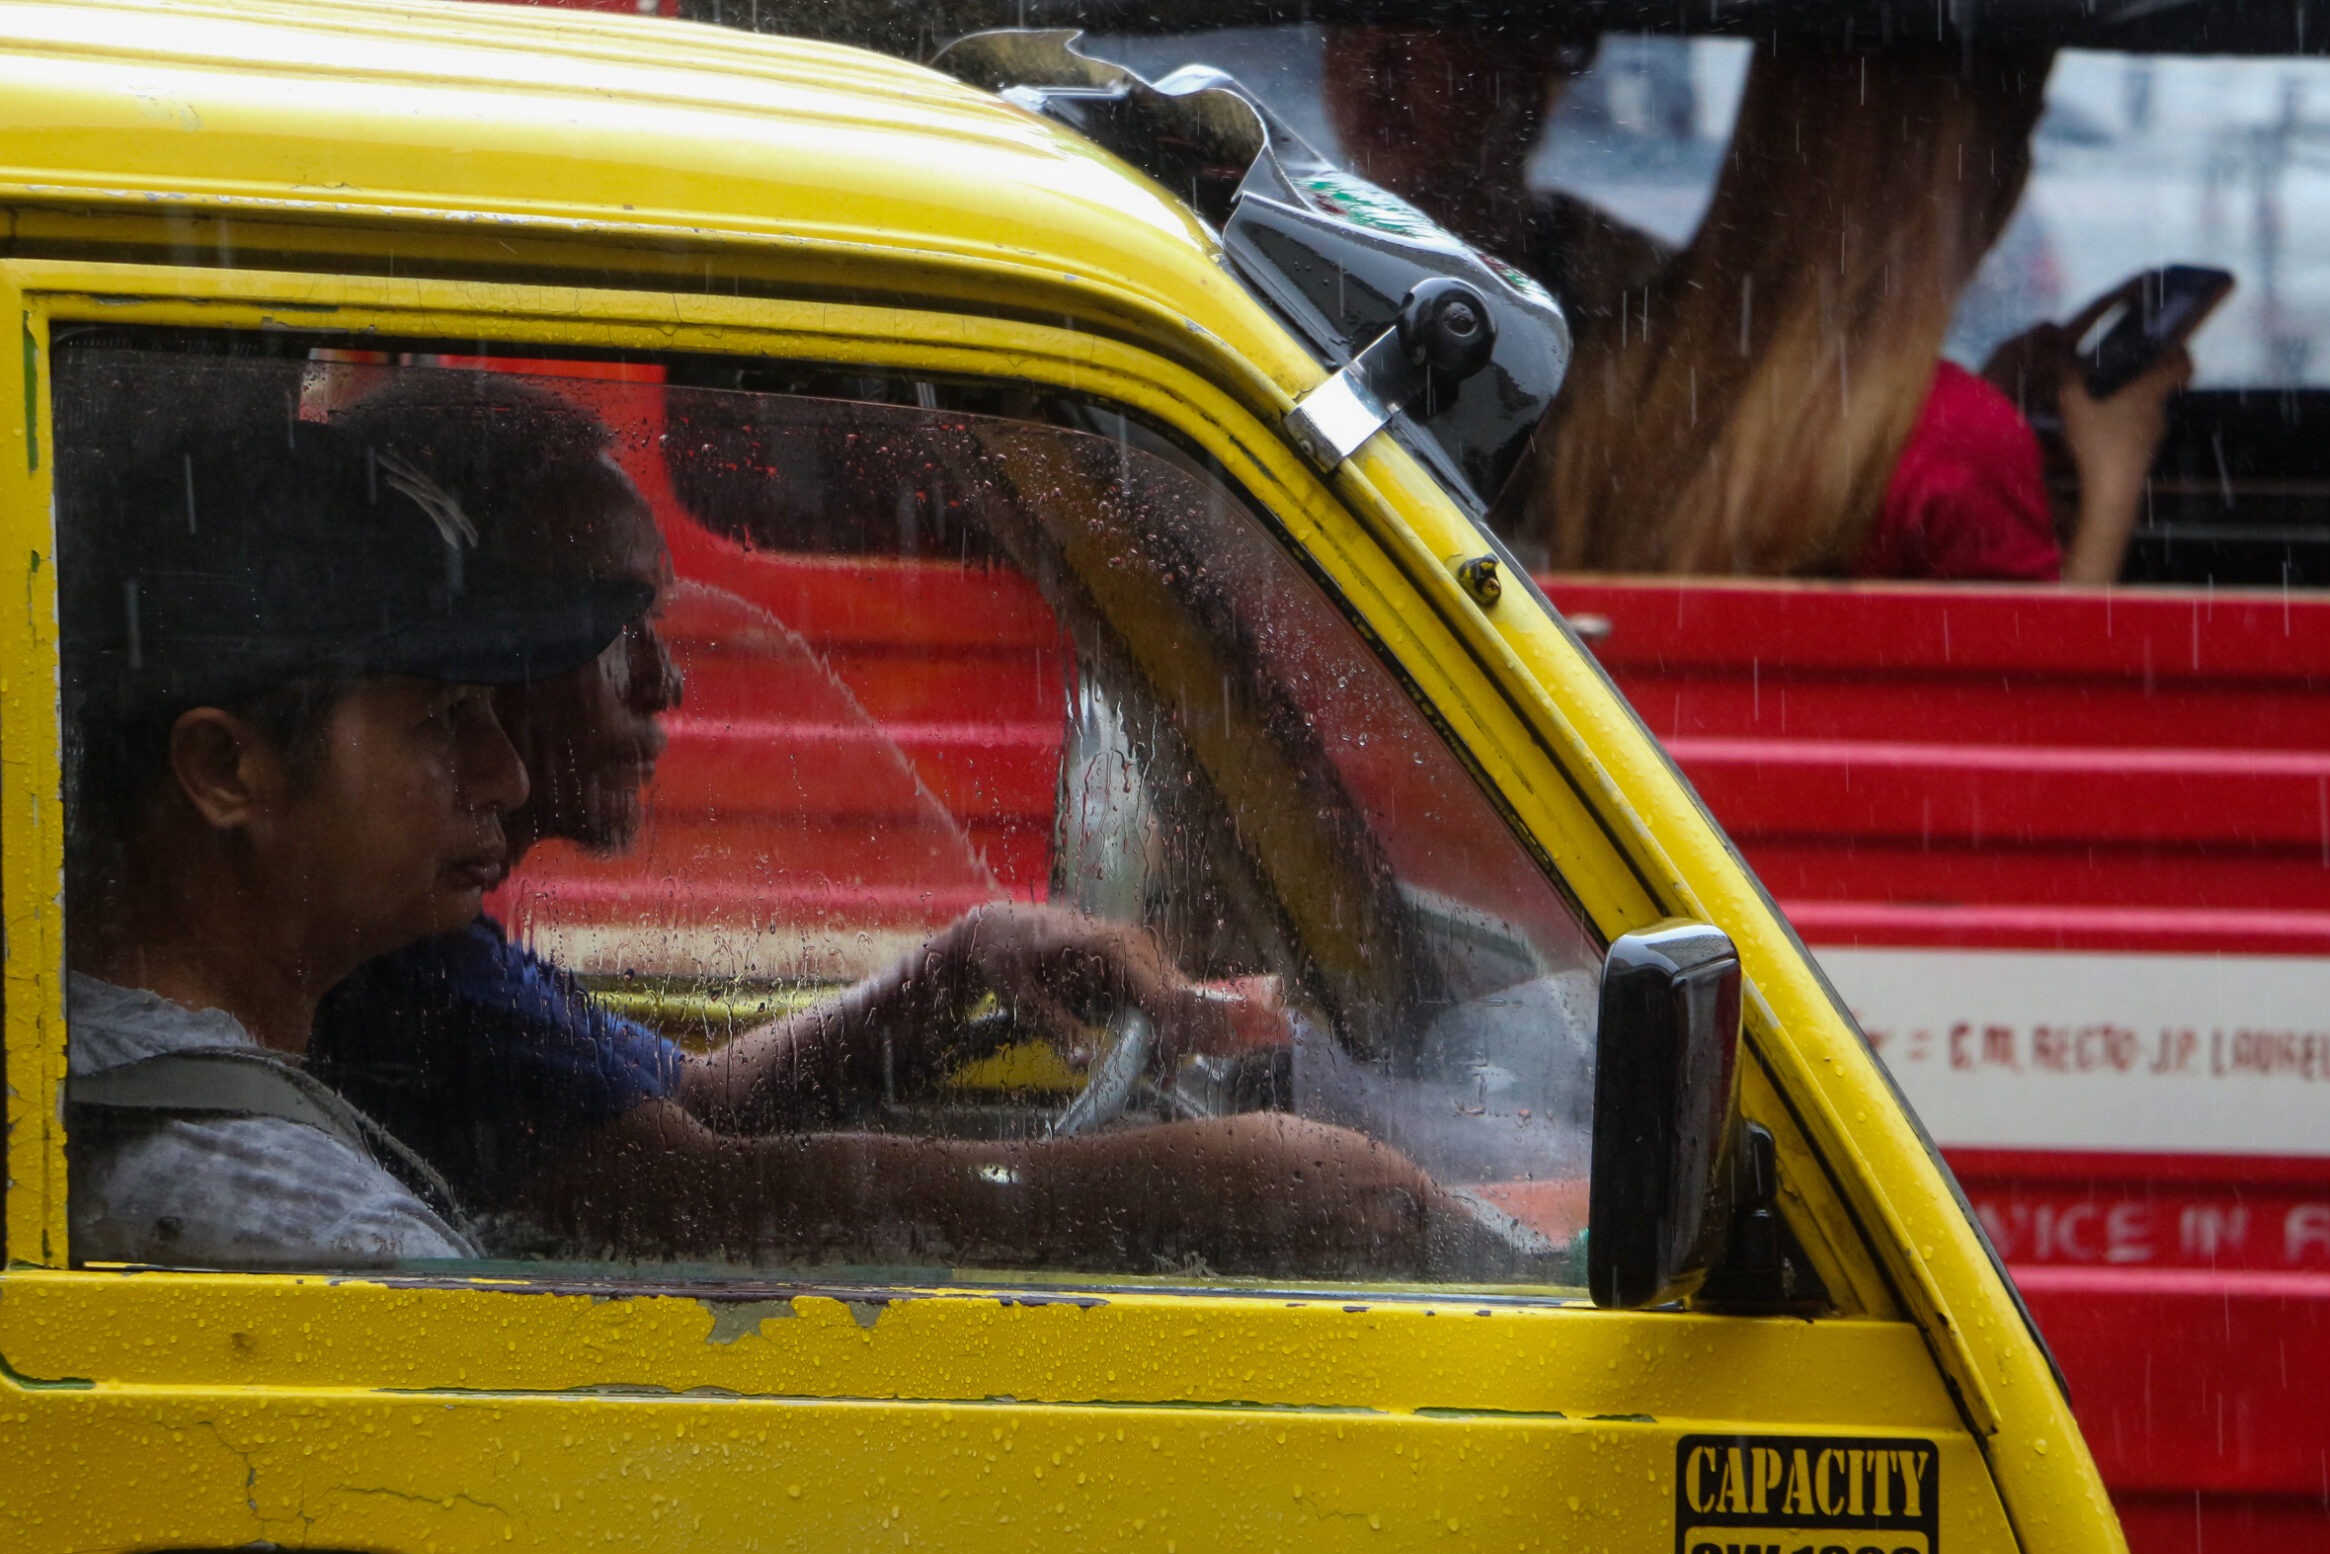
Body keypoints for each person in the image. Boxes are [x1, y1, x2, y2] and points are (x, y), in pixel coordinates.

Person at [305, 373, 1488, 1277]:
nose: (666, 684)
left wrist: (960, 962)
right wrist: (1248, 1185)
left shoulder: (441, 955)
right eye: (613, 627)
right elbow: (718, 1202)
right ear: (469, 654)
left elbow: (692, 1109)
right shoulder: (394, 986)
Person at [57, 419, 650, 1267]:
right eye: (442, 719)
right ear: (226, 769)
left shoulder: (76, 1058)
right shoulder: (333, 1238)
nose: (508, 777)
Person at [1520, 42, 2189, 585]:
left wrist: (1994, 396)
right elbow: (2042, 711)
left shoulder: (1627, 368)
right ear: (1970, 173)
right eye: (2017, 134)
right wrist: (2115, 473)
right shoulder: (1955, 436)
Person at [1320, 28, 1671, 343]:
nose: (1373, 72)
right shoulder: (1287, 258)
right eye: (1345, 30)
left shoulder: (1628, 285)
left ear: (1523, 65)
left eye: (1417, 24)